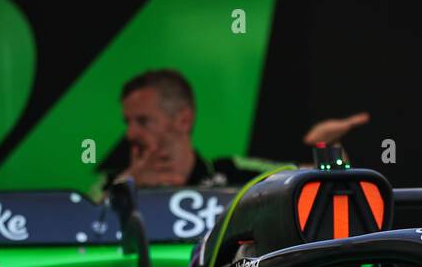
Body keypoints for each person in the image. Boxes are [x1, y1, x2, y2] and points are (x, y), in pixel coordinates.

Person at [99, 68, 368, 192]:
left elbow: (325, 180)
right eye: (128, 122)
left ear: (183, 120)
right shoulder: (115, 183)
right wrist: (129, 187)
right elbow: (76, 230)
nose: (130, 134)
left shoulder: (233, 171)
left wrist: (327, 148)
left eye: (143, 122)